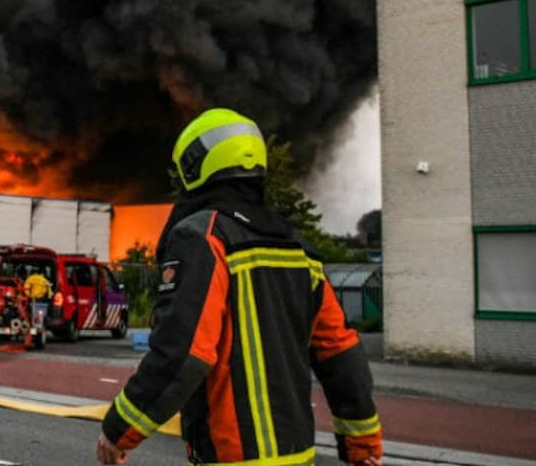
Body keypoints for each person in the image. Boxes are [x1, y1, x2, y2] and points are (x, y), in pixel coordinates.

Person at [96, 108, 383, 466]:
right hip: (299, 458)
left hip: (231, 455)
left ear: (195, 164)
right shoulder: (297, 248)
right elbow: (340, 353)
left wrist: (119, 429)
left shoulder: (203, 237)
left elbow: (184, 351)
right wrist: (364, 445)